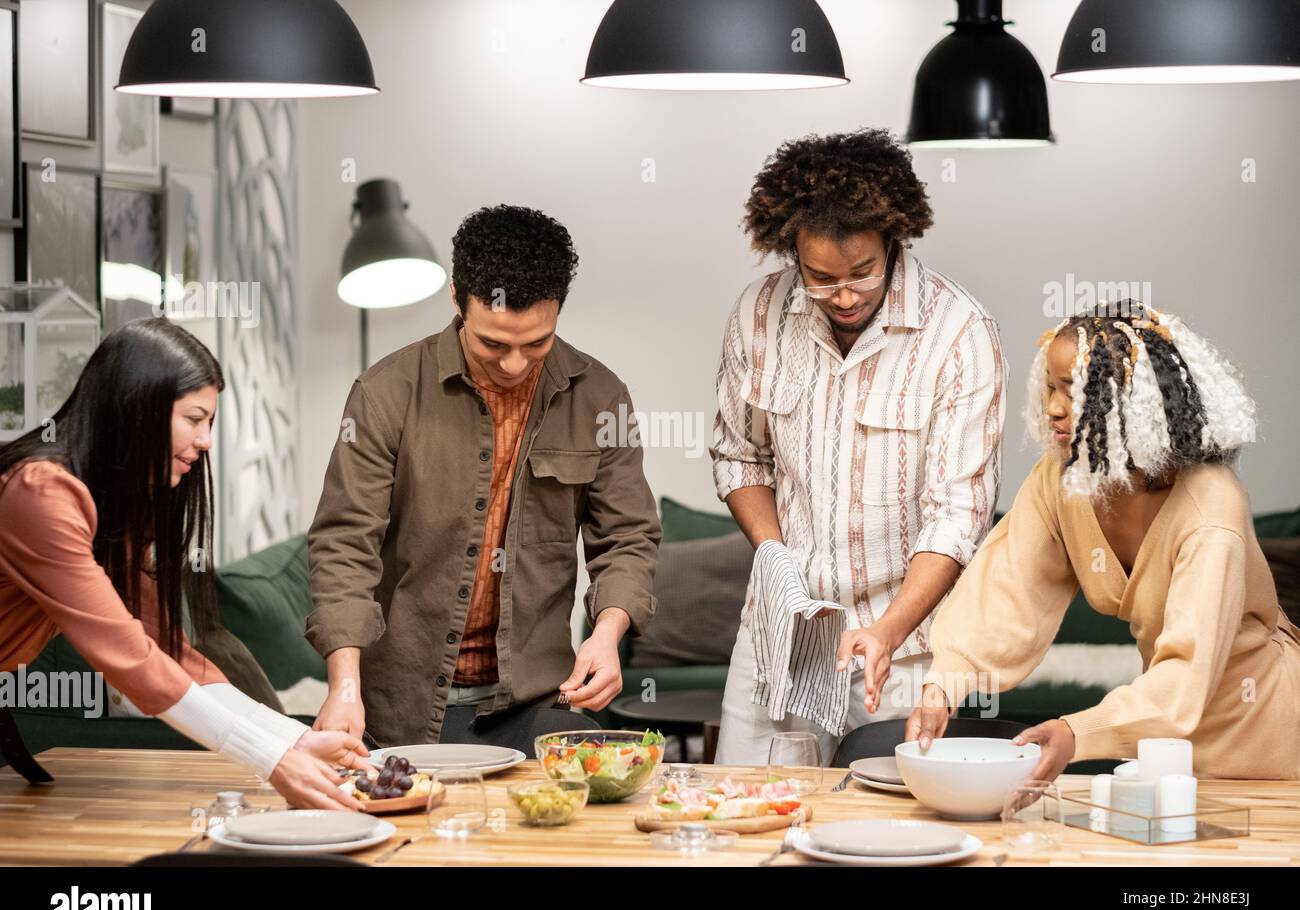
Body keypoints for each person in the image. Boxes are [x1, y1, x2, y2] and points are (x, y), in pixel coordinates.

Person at [309, 205, 660, 746]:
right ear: (457, 300)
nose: (515, 364)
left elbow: (627, 536)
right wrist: (345, 685)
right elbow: (344, 543)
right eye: (493, 343)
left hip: (533, 701)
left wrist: (609, 630)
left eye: (536, 343)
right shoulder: (386, 393)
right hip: (399, 706)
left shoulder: (600, 399)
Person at [909, 301, 1300, 780]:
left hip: (1257, 735)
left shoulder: (1211, 509)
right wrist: (943, 684)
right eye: (1051, 386)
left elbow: (1188, 673)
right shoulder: (1065, 478)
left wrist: (1078, 731)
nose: (1052, 407)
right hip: (1158, 730)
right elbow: (1006, 591)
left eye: (1074, 390)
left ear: (1134, 400)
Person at [710, 129, 1005, 764]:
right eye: (821, 278)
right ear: (789, 248)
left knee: (890, 838)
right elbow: (739, 455)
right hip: (781, 639)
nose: (843, 296)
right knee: (749, 821)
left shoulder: (960, 334)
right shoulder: (757, 316)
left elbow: (958, 516)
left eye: (863, 274)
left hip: (907, 650)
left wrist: (885, 630)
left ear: (894, 241)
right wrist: (775, 557)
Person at [0, 319, 368, 808]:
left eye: (210, 423)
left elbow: (170, 653)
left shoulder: (109, 505)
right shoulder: (40, 493)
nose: (206, 441)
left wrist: (291, 741)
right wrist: (274, 761)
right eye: (194, 419)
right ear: (136, 409)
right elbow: (130, 658)